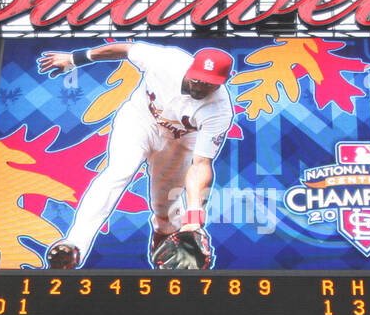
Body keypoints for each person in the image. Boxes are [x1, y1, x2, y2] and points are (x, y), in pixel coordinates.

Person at [36, 42, 235, 268]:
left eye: (209, 84)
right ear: (190, 69)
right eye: (196, 78)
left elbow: (200, 165)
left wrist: (194, 219)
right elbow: (124, 49)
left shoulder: (219, 110)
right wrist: (75, 58)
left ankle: (164, 238)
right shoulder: (165, 61)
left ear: (223, 82)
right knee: (119, 172)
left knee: (166, 204)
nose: (199, 86)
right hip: (141, 120)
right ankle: (75, 244)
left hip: (180, 139)